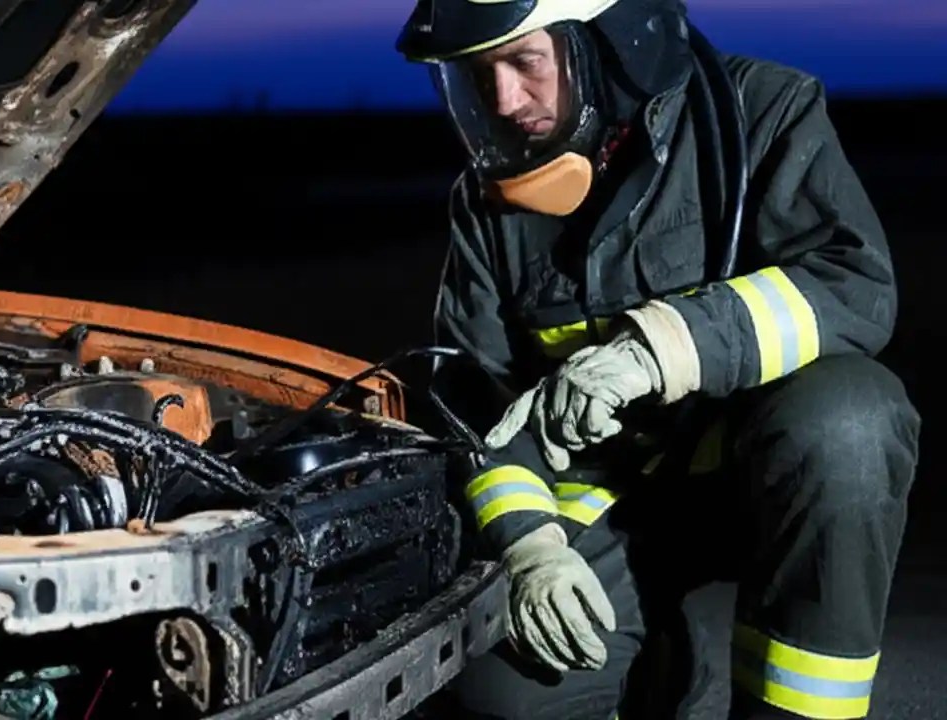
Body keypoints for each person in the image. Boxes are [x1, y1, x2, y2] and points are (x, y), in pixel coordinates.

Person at [395, 1, 921, 718]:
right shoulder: (488, 207)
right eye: (477, 77)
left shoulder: (764, 112)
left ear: (613, 43)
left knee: (853, 420)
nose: (503, 102)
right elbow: (473, 408)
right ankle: (665, 661)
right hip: (611, 507)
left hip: (759, 481)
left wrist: (661, 349)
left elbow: (854, 284)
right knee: (499, 700)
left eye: (524, 63)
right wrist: (528, 549)